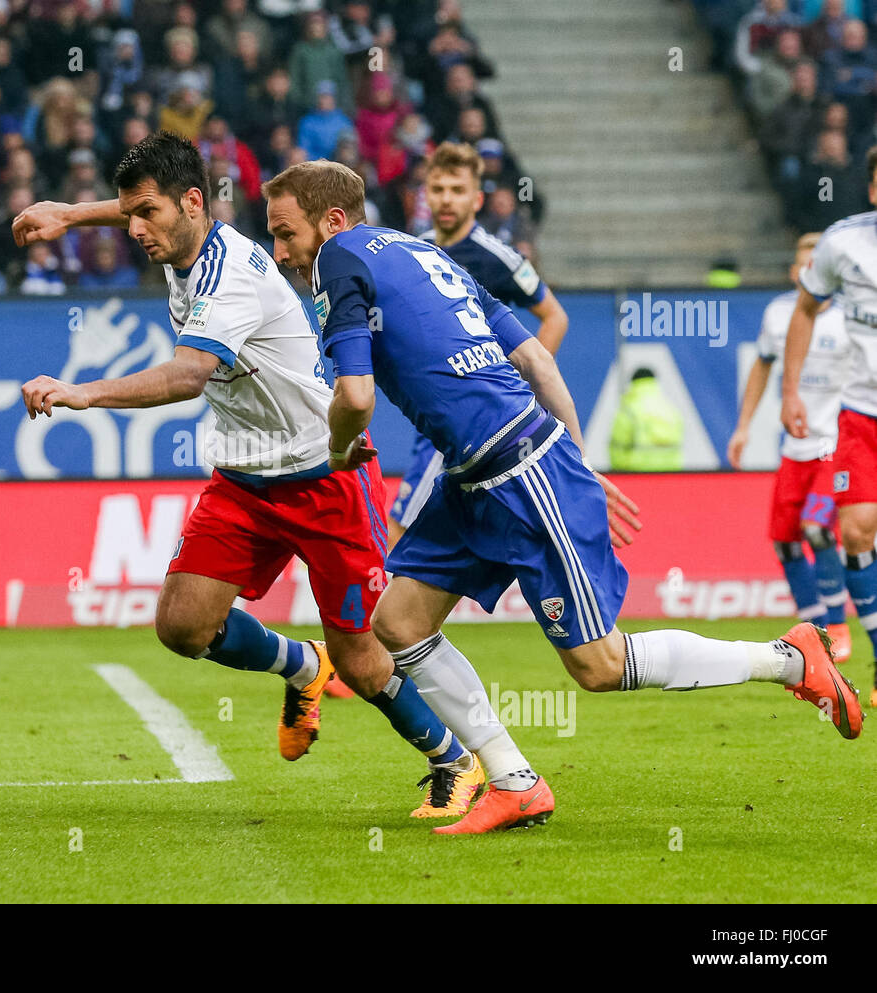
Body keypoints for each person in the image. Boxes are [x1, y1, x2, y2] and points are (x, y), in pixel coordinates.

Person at [262, 159, 862, 835]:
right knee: (399, 624)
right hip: (480, 473)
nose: (280, 251)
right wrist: (573, 457)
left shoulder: (339, 259)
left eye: (284, 233)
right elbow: (535, 360)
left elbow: (355, 397)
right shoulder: (423, 253)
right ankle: (515, 782)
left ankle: (787, 658)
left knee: (598, 666)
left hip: (516, 468)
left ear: (333, 220)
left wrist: (339, 452)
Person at [12, 131, 486, 818]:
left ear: (193, 202)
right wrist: (69, 211)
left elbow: (187, 373)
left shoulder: (230, 275)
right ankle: (302, 665)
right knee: (181, 624)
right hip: (244, 476)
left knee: (363, 655)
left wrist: (85, 393)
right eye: (130, 214)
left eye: (147, 214)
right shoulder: (181, 233)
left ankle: (455, 758)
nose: (136, 229)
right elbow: (141, 207)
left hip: (325, 473)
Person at [389, 141, 591, 549]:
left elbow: (556, 316)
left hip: (468, 413)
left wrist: (517, 383)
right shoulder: (412, 247)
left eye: (457, 190)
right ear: (425, 194)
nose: (447, 199)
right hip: (429, 410)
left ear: (477, 198)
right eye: (439, 189)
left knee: (400, 526)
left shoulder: (498, 257)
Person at [729, 233, 854, 660]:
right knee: (784, 541)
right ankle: (815, 630)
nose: (811, 271)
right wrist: (743, 427)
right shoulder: (779, 314)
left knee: (817, 529)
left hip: (836, 445)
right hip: (795, 448)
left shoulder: (848, 319)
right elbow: (762, 367)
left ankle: (838, 625)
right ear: (793, 272)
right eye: (804, 264)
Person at [782, 146, 877, 704]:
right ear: (871, 189)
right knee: (857, 530)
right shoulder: (842, 242)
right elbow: (805, 307)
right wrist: (791, 389)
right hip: (862, 415)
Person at [609, 368, 685, 471]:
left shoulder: (629, 409)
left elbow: (618, 445)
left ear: (633, 383)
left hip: (636, 473)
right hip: (671, 472)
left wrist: (619, 470)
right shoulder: (670, 408)